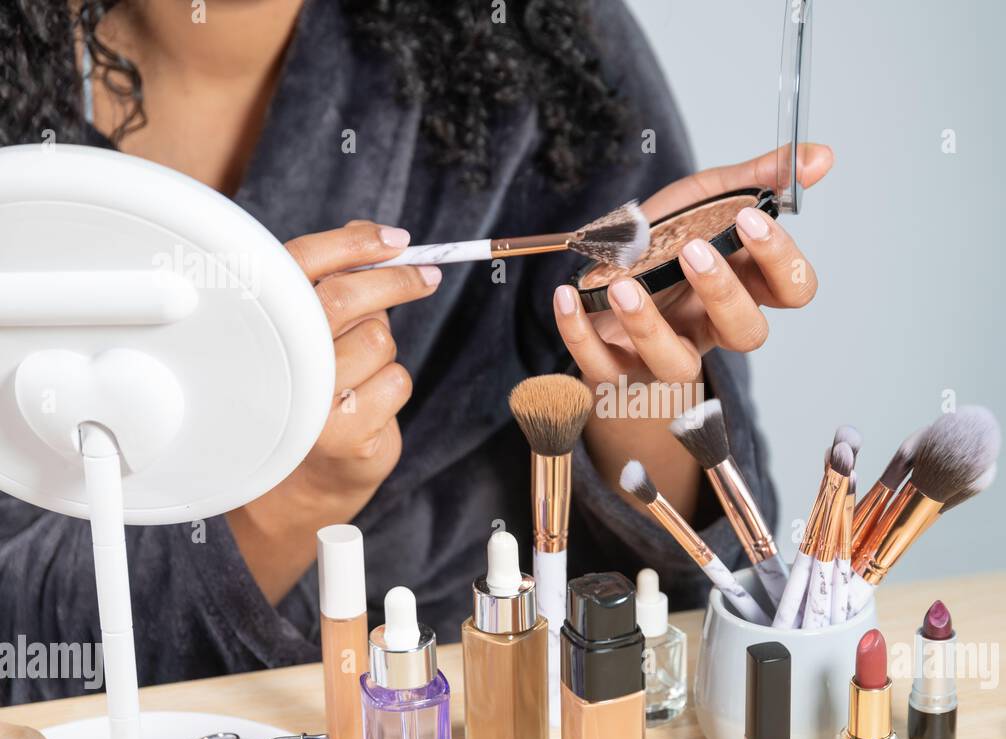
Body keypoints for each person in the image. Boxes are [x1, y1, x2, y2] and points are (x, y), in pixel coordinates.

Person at [0, 0, 832, 703]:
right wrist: (288, 497)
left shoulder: (543, 34)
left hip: (491, 714)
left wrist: (640, 395)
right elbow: (27, 666)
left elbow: (687, 590)